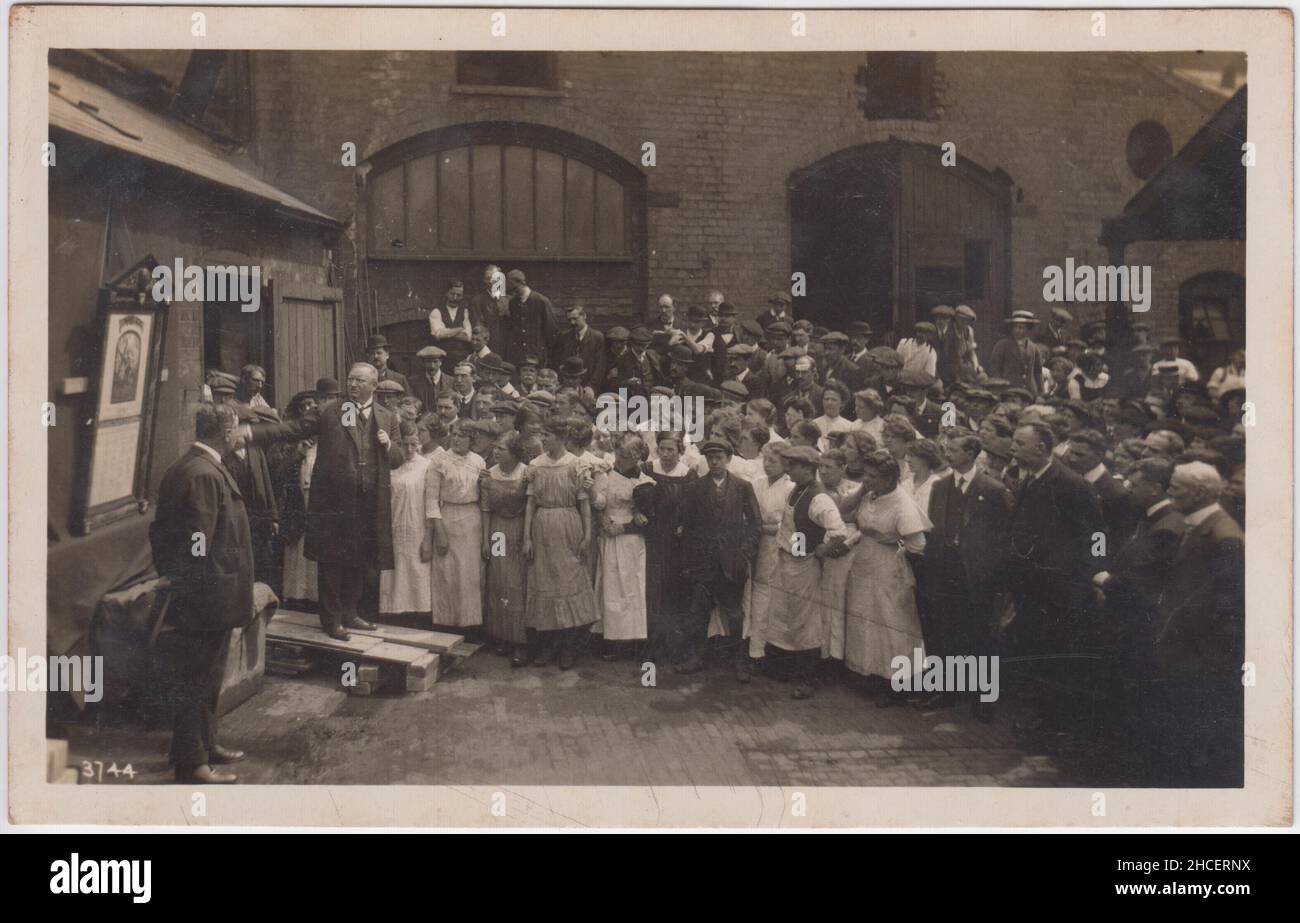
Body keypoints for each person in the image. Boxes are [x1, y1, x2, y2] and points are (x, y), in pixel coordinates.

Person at [247, 362, 405, 641]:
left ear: (373, 386)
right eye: (350, 379)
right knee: (332, 561)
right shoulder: (330, 412)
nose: (353, 385)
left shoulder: (387, 418)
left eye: (359, 381)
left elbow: (396, 460)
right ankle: (331, 620)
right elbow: (292, 429)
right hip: (333, 503)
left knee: (359, 559)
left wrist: (388, 445)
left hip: (367, 503)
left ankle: (350, 613)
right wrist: (252, 433)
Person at [150, 403, 254, 784]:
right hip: (208, 597)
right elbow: (197, 539)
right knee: (196, 679)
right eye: (238, 428)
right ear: (225, 432)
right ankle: (193, 764)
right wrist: (196, 584)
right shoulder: (203, 474)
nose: (240, 434)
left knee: (207, 678)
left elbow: (166, 535)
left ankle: (206, 746)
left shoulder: (193, 466)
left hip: (209, 593)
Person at [1005, 421, 1104, 732]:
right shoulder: (1030, 479)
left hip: (1060, 590)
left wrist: (1089, 579)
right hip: (1032, 585)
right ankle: (1038, 713)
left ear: (1042, 448)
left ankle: (1052, 721)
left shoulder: (1072, 485)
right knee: (1034, 648)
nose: (1013, 448)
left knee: (1054, 654)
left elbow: (1096, 536)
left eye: (1020, 443)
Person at [1152, 461, 1245, 785]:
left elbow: (1228, 607)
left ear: (1201, 493)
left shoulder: (1224, 537)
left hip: (1199, 655)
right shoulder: (1196, 526)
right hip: (1181, 649)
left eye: (1176, 487)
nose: (1168, 492)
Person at [919, 429, 1013, 716]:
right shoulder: (941, 486)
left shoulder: (993, 490)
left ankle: (983, 699)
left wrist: (992, 574)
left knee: (980, 636)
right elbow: (934, 529)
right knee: (947, 632)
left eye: (954, 449)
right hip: (945, 572)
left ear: (971, 455)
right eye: (946, 448)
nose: (947, 453)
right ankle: (947, 692)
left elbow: (1002, 537)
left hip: (976, 576)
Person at [841, 451, 931, 694]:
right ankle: (869, 672)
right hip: (864, 563)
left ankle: (896, 683)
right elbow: (844, 511)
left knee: (890, 621)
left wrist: (894, 552)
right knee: (865, 617)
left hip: (889, 567)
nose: (867, 480)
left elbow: (918, 544)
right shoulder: (869, 494)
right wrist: (862, 490)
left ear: (890, 478)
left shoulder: (903, 504)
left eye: (872, 476)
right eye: (866, 475)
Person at [765, 445, 849, 699]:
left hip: (803, 566)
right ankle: (786, 668)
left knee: (805, 620)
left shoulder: (818, 497)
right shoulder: (796, 490)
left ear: (807, 468)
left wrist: (822, 549)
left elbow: (839, 531)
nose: (787, 468)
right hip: (786, 560)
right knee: (782, 615)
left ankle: (808, 678)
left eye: (793, 465)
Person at [675, 438, 762, 681]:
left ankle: (739, 661)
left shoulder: (743, 487)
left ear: (728, 459)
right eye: (710, 458)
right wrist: (690, 560)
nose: (714, 462)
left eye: (719, 457)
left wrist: (745, 551)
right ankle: (697, 657)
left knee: (734, 614)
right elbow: (688, 526)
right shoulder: (695, 488)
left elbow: (755, 523)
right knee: (699, 612)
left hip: (731, 563)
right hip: (703, 563)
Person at [523, 415, 599, 669]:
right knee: (545, 585)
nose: (543, 439)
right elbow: (531, 503)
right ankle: (548, 646)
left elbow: (585, 503)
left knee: (568, 584)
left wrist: (587, 535)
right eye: (542, 435)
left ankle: (568, 647)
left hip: (569, 525)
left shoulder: (576, 465)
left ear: (561, 438)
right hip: (542, 527)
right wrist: (526, 538)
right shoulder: (535, 465)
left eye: (547, 435)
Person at [592, 433, 657, 659]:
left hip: (628, 541)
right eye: (618, 454)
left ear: (637, 457)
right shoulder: (606, 474)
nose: (620, 460)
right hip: (607, 534)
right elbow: (599, 504)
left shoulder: (644, 484)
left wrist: (625, 527)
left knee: (627, 588)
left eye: (625, 456)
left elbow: (648, 521)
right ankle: (607, 637)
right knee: (607, 586)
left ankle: (627, 642)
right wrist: (603, 522)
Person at [421, 419, 485, 631]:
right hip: (447, 517)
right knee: (448, 572)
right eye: (454, 435)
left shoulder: (478, 461)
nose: (457, 439)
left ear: (471, 440)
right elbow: (430, 500)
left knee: (469, 574)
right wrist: (439, 531)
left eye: (462, 436)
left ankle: (469, 625)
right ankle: (446, 624)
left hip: (472, 519)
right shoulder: (439, 461)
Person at [641, 431, 697, 659]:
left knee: (673, 590)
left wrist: (684, 526)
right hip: (651, 537)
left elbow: (692, 509)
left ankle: (672, 645)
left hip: (675, 541)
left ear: (680, 451)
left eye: (671, 450)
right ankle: (650, 643)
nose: (665, 454)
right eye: (662, 449)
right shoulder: (647, 469)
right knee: (651, 588)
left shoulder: (687, 475)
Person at [480, 432, 532, 665]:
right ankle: (503, 636)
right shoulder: (489, 473)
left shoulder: (526, 472)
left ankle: (521, 642)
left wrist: (529, 537)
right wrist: (485, 540)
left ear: (514, 452)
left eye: (501, 449)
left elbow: (531, 505)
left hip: (519, 529)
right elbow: (485, 509)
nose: (496, 452)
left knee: (517, 584)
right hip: (498, 531)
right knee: (500, 581)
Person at [380, 422, 433, 616]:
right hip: (393, 524)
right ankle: (393, 613)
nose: (409, 449)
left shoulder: (427, 466)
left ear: (419, 443)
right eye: (404, 444)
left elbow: (432, 503)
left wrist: (428, 536)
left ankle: (419, 615)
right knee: (395, 571)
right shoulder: (389, 465)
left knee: (417, 571)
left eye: (413, 444)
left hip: (418, 526)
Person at [505, 269, 563, 368]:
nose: (513, 293)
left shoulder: (541, 301)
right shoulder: (513, 303)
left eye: (515, 290)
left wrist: (545, 351)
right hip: (519, 356)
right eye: (510, 291)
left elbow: (552, 329)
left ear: (522, 283)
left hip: (538, 355)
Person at [988, 310, 1045, 396]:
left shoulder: (1034, 348)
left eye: (1021, 327)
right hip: (1009, 390)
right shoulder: (1002, 345)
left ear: (1028, 329)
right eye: (1016, 327)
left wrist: (1041, 392)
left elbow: (1038, 373)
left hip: (1030, 392)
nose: (1018, 330)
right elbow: (994, 368)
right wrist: (999, 388)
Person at [557, 304, 607, 392]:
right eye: (569, 320)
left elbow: (600, 365)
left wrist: (592, 386)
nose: (572, 323)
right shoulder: (564, 336)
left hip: (588, 386)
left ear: (584, 316)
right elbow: (560, 360)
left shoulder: (597, 337)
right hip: (568, 386)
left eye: (575, 319)